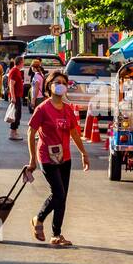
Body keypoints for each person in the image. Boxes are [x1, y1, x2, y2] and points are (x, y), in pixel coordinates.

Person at [26, 71, 90, 248]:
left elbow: (75, 133)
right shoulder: (43, 109)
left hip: (65, 158)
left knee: (62, 197)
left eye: (63, 82)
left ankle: (56, 234)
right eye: (57, 82)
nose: (60, 85)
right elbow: (31, 132)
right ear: (49, 86)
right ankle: (38, 219)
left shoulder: (68, 110)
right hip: (47, 157)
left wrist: (84, 153)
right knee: (59, 193)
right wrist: (32, 160)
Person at [6, 56, 26, 141]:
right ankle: (13, 133)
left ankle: (14, 132)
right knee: (16, 115)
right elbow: (11, 84)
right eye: (23, 62)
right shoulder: (14, 71)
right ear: (20, 62)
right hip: (16, 96)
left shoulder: (17, 71)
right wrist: (13, 97)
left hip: (18, 96)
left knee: (17, 115)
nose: (24, 63)